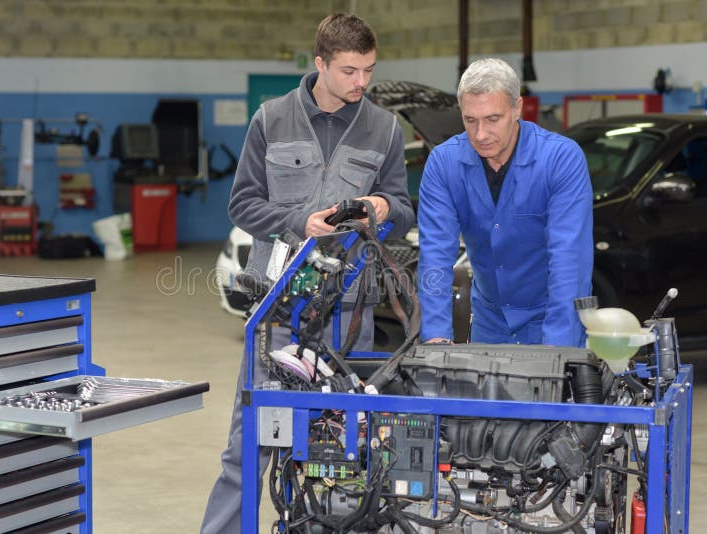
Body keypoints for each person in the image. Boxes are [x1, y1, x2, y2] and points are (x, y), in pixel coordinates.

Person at [201, 13, 414, 533]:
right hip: (278, 316)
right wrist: (300, 222)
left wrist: (382, 208)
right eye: (348, 70)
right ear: (319, 64)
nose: (361, 82)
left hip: (349, 318)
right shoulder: (271, 119)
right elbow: (243, 204)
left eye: (368, 69)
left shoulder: (384, 127)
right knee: (249, 445)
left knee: (343, 451)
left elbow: (405, 210)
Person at [418, 58, 592, 348]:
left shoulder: (561, 159)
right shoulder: (443, 164)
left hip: (551, 318)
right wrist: (436, 336)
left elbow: (569, 262)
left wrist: (558, 350)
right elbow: (435, 254)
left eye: (492, 119)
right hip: (490, 322)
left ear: (517, 109)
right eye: (470, 120)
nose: (480, 134)